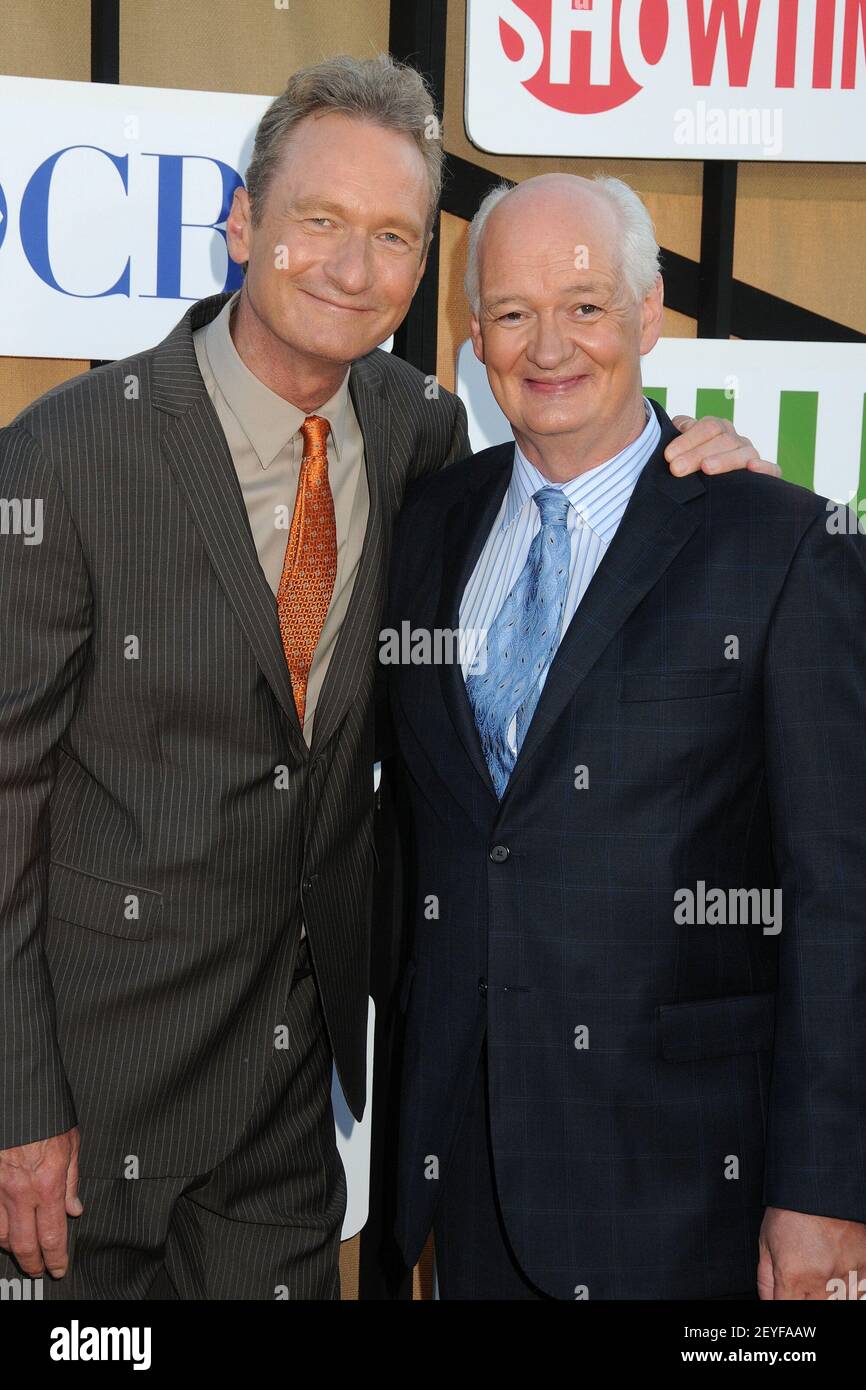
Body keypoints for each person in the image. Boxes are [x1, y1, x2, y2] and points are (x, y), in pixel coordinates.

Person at [0, 55, 770, 1300]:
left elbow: (574, 442)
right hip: (88, 1109)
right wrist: (17, 1107)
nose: (352, 269)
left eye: (393, 237)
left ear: (423, 273)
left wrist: (679, 443)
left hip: (289, 1107)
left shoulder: (420, 436)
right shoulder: (66, 459)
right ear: (242, 225)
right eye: (317, 223)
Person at [386, 172, 866, 1300]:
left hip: (688, 1188)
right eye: (510, 312)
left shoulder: (779, 546)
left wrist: (825, 1186)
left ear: (650, 314)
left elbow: (841, 890)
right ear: (473, 335)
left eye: (586, 305)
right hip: (467, 1160)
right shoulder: (430, 523)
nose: (547, 345)